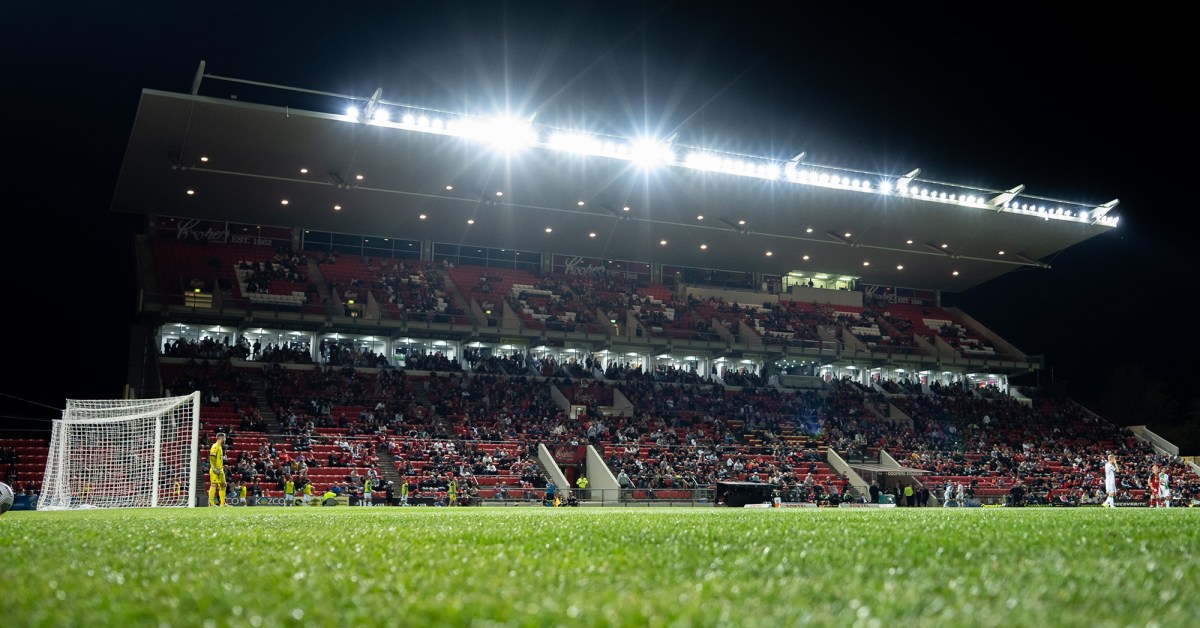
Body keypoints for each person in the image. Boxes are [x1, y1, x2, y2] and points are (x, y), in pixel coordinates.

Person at [207, 432, 227, 507]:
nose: (225, 439)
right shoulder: (215, 446)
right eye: (224, 438)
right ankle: (211, 503)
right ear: (221, 438)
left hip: (220, 470)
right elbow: (212, 456)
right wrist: (214, 467)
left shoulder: (220, 447)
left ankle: (222, 503)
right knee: (214, 485)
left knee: (223, 485)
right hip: (215, 470)